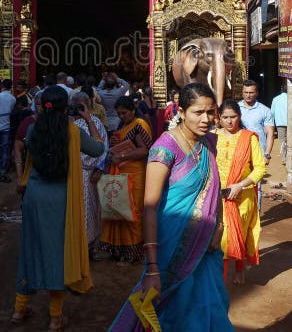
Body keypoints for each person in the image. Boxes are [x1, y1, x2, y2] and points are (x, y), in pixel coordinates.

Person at [109, 83, 232, 331]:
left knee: (210, 310)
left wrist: (218, 226)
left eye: (210, 112)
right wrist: (153, 268)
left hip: (206, 247)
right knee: (173, 315)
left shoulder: (208, 143)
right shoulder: (164, 149)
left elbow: (214, 186)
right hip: (172, 248)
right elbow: (150, 208)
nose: (206, 119)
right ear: (182, 111)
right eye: (198, 112)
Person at [10, 86, 104, 330]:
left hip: (35, 196)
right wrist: (87, 119)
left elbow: (24, 146)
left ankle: (19, 309)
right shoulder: (73, 131)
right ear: (66, 107)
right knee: (57, 255)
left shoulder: (33, 129)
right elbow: (98, 148)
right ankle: (55, 317)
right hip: (61, 198)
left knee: (30, 248)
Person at [214, 100, 266, 285]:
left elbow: (260, 169)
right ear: (218, 118)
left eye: (233, 117)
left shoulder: (248, 138)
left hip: (242, 197)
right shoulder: (211, 136)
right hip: (217, 196)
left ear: (240, 116)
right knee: (222, 237)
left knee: (238, 235)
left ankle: (239, 269)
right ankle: (220, 281)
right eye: (225, 117)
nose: (229, 121)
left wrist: (240, 185)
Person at [100, 96, 152, 264]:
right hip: (121, 172)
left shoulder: (139, 125)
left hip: (135, 174)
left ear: (132, 111)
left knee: (132, 212)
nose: (121, 116)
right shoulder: (123, 125)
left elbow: (144, 150)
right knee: (118, 211)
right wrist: (114, 142)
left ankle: (133, 252)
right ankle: (118, 249)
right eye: (119, 114)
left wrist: (121, 155)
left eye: (124, 113)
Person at [70, 90, 109, 260]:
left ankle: (90, 247)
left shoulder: (96, 124)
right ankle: (76, 248)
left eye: (82, 105)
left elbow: (103, 147)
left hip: (90, 174)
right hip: (72, 173)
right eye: (76, 105)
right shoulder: (69, 124)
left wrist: (99, 169)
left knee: (91, 211)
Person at [270, 84, 288, 165]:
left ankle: (284, 158)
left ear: (281, 89)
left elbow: (272, 113)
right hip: (290, 123)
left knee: (282, 141)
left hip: (280, 123)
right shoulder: (291, 99)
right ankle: (290, 157)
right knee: (289, 140)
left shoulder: (275, 99)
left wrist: (272, 125)